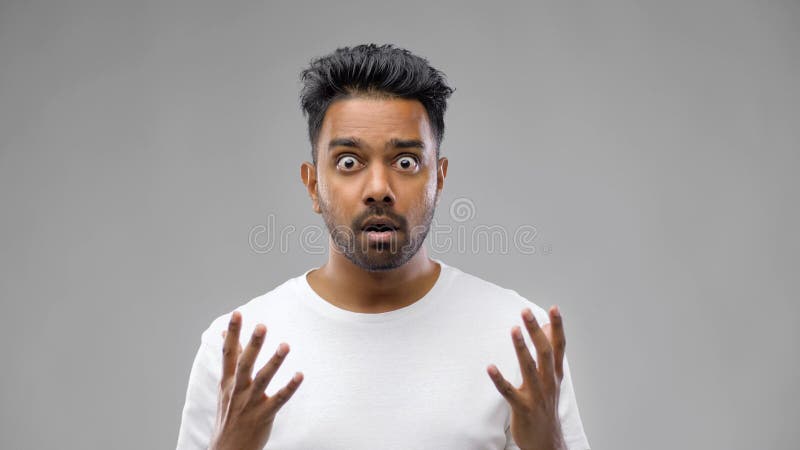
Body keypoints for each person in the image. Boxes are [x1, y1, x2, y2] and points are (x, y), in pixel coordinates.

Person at [176, 43, 591, 450]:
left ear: (439, 180)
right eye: (349, 162)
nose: (378, 189)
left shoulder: (518, 340)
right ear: (312, 185)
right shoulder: (237, 351)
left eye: (406, 161)